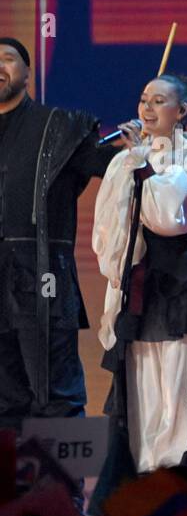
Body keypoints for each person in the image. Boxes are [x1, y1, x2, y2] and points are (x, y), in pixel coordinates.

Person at [91, 74, 187, 482]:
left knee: (179, 383)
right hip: (140, 284)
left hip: (180, 282)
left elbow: (166, 219)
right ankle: (146, 479)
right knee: (143, 387)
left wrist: (142, 163)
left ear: (181, 111)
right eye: (144, 100)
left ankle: (176, 473)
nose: (148, 108)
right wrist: (134, 161)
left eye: (159, 101)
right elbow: (109, 228)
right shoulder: (125, 159)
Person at [0, 37, 118, 433]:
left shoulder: (59, 128)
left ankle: (65, 493)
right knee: (4, 399)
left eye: (8, 59)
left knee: (58, 394)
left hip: (44, 280)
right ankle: (13, 491)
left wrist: (145, 151)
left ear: (28, 73)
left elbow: (110, 166)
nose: (0, 66)